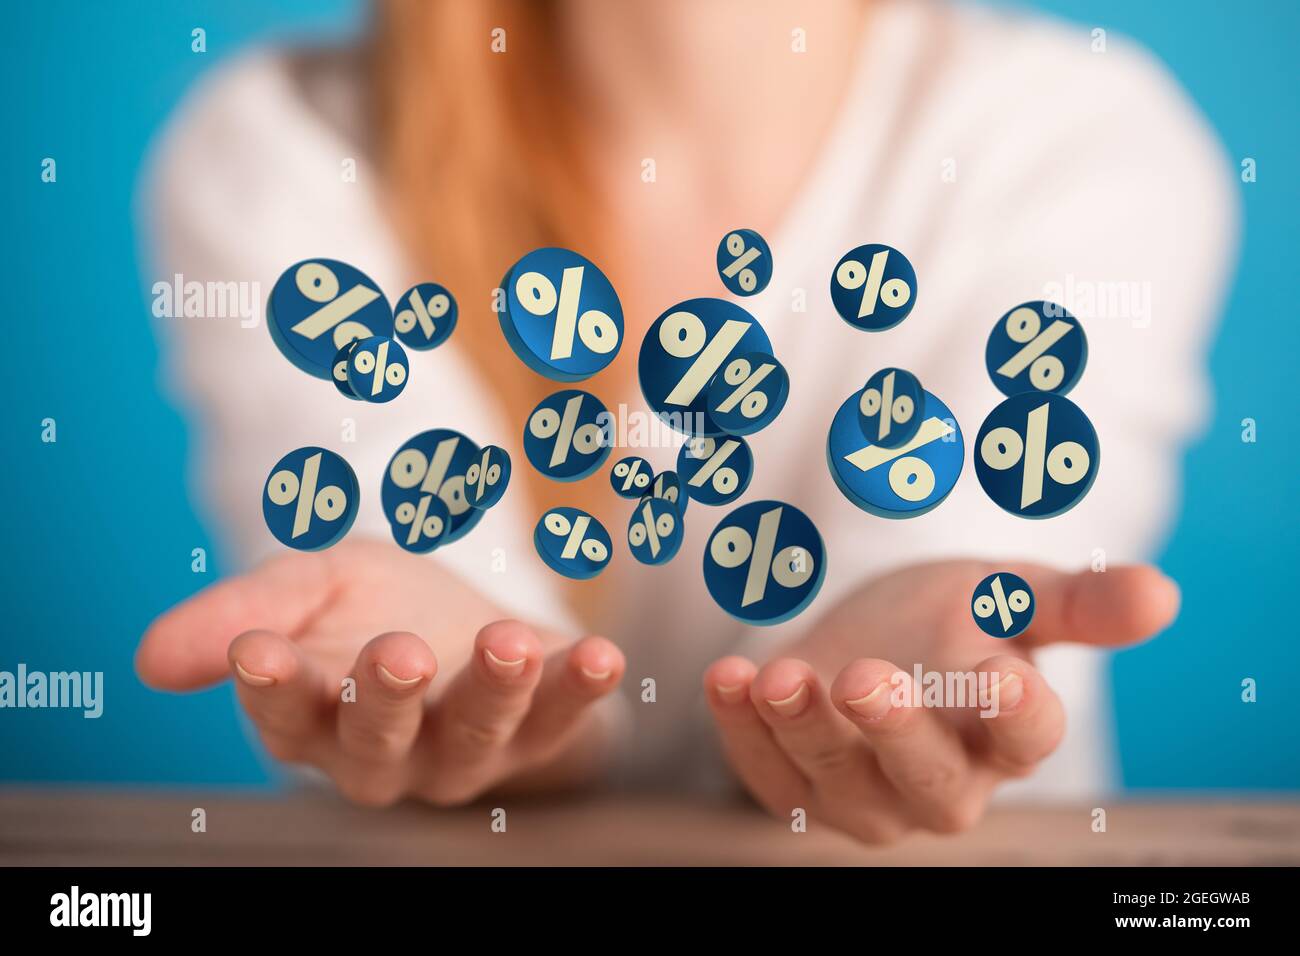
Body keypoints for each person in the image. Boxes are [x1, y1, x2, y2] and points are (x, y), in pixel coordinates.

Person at [137, 0, 1235, 843]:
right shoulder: (278, 142)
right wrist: (500, 696)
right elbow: (440, 636)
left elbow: (943, 585)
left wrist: (891, 652)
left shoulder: (1080, 137)